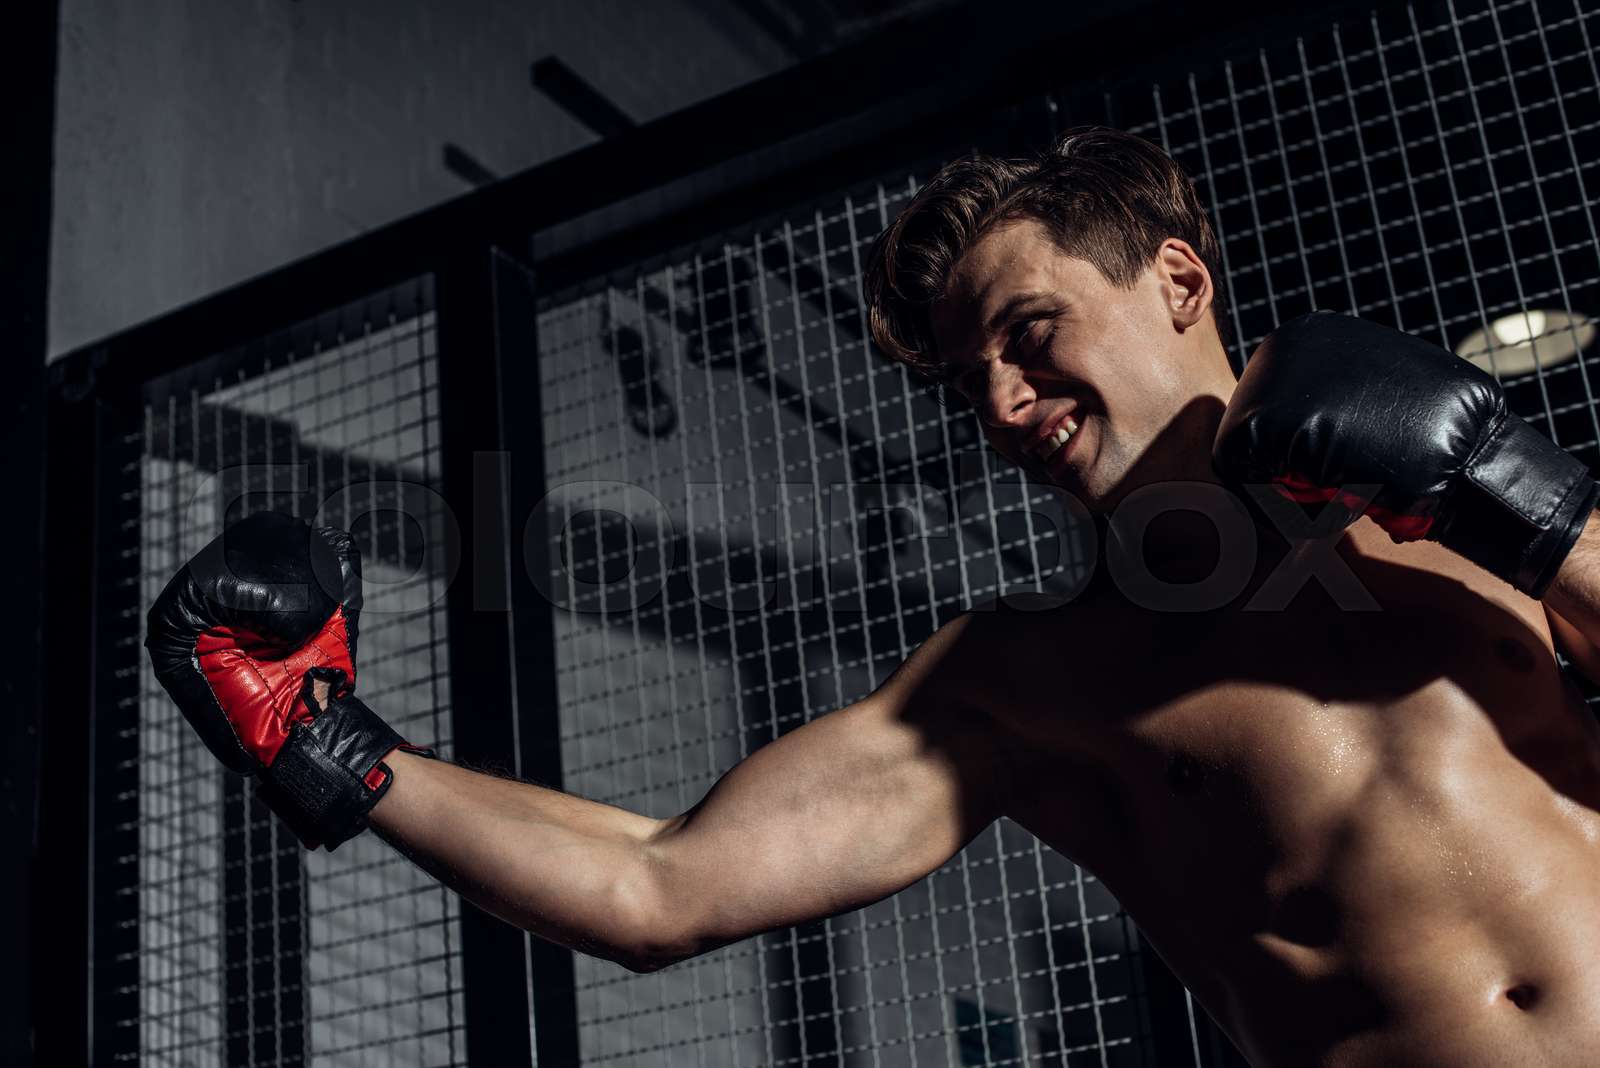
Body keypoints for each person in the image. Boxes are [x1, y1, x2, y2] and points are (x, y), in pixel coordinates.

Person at [147, 127, 1600, 1067]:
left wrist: (1521, 493)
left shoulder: (1452, 513)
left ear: (1176, 280)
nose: (1010, 402)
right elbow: (659, 885)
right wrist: (320, 738)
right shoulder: (1028, 684)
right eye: (977, 382)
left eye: (1031, 337)